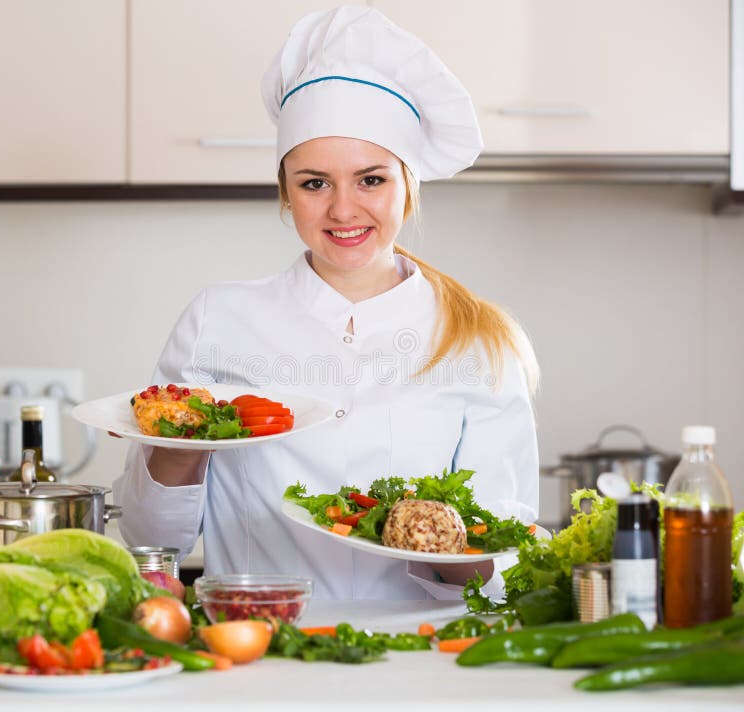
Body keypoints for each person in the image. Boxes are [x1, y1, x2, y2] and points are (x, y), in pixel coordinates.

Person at [113, 5, 540, 600]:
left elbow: (506, 575)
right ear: (286, 192)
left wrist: (450, 545)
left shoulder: (478, 341)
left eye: (371, 179)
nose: (343, 210)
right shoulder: (219, 320)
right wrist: (182, 448)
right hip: (258, 650)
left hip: (419, 664)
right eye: (314, 182)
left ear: (408, 185)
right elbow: (147, 541)